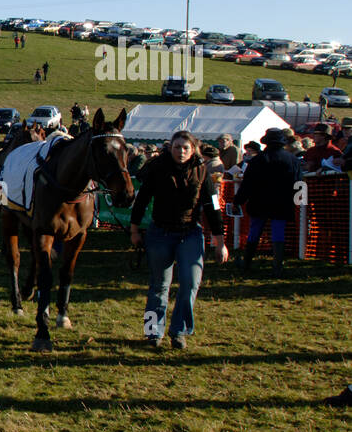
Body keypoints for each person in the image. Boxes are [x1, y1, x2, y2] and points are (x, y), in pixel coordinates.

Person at [129, 131, 228, 349]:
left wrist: (220, 243)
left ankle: (179, 331)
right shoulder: (157, 168)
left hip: (190, 233)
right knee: (158, 286)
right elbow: (142, 200)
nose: (181, 151)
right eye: (177, 147)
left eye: (185, 147)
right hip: (160, 233)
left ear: (193, 149)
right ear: (170, 148)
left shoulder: (202, 171)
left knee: (190, 283)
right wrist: (134, 230)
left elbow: (214, 209)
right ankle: (152, 333)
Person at [232, 128, 302, 276]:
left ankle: (246, 263)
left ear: (266, 142)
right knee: (278, 232)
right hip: (283, 203)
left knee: (255, 231)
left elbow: (247, 184)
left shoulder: (258, 160)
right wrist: (299, 201)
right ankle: (278, 267)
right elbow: (299, 183)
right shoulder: (293, 160)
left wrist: (238, 200)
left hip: (260, 202)